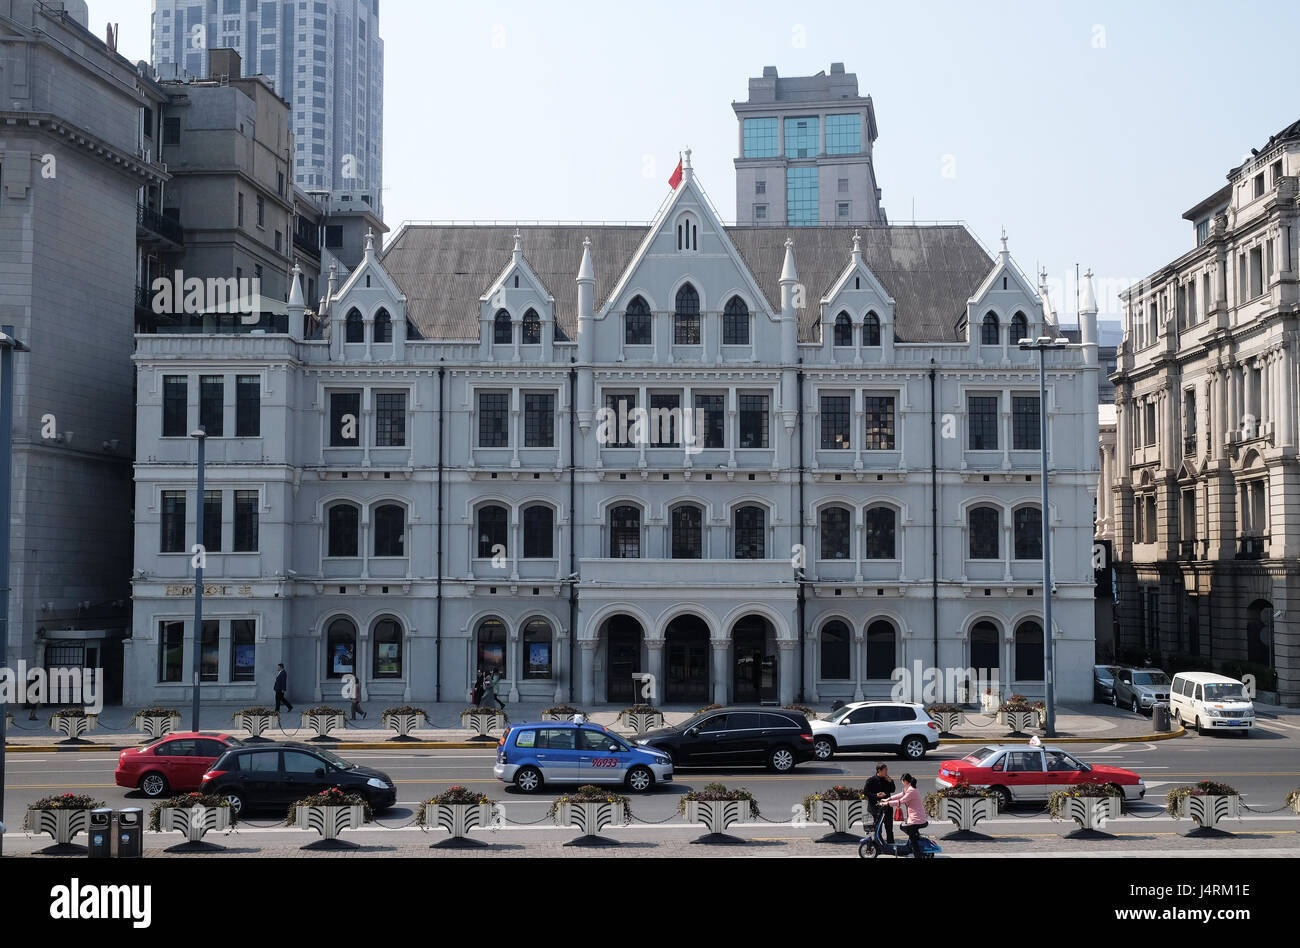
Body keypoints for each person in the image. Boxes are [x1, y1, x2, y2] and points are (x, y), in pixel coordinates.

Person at [883, 773, 929, 858]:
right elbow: (900, 795)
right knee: (903, 827)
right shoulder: (908, 788)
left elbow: (901, 801)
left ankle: (917, 854)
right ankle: (914, 838)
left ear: (905, 781)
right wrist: (888, 798)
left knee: (912, 836)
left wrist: (887, 803)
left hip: (917, 818)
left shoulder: (911, 790)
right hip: (914, 817)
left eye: (902, 781)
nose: (902, 782)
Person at [863, 762, 896, 844]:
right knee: (878, 828)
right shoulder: (871, 780)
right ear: (879, 771)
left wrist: (891, 781)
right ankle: (878, 844)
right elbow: (866, 793)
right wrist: (876, 795)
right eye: (885, 770)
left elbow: (892, 790)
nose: (887, 772)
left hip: (887, 807)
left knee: (889, 827)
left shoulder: (887, 779)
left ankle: (891, 843)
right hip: (876, 808)